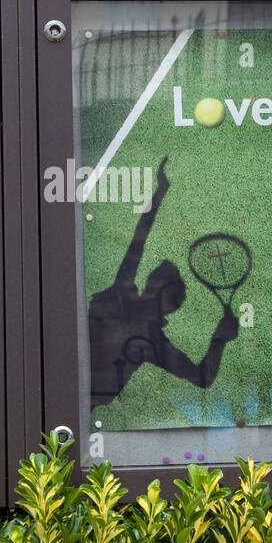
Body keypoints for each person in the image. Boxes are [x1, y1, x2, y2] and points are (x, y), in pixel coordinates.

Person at [88, 155, 238, 405]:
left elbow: (140, 238)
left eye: (154, 280)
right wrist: (219, 340)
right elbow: (203, 377)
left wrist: (160, 192)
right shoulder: (150, 339)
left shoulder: (127, 302)